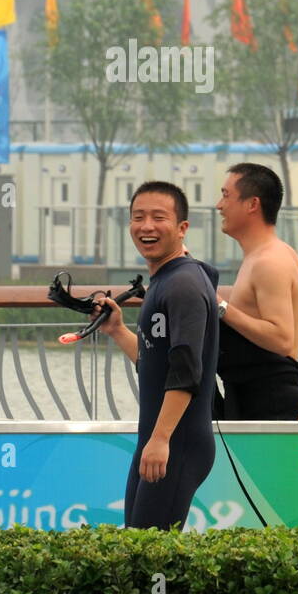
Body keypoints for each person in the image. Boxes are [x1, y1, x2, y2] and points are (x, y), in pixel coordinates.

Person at [92, 180, 218, 530]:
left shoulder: (183, 285)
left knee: (149, 558)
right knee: (140, 547)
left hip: (176, 443)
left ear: (182, 229)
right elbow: (155, 363)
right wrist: (117, 330)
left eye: (158, 217)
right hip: (159, 439)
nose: (146, 226)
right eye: (138, 217)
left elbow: (186, 370)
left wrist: (161, 439)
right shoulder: (166, 280)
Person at [214, 163, 298, 420]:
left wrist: (220, 306)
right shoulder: (284, 253)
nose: (219, 205)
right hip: (274, 394)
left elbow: (282, 339)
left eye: (226, 195)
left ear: (252, 204)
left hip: (269, 403)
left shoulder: (268, 262)